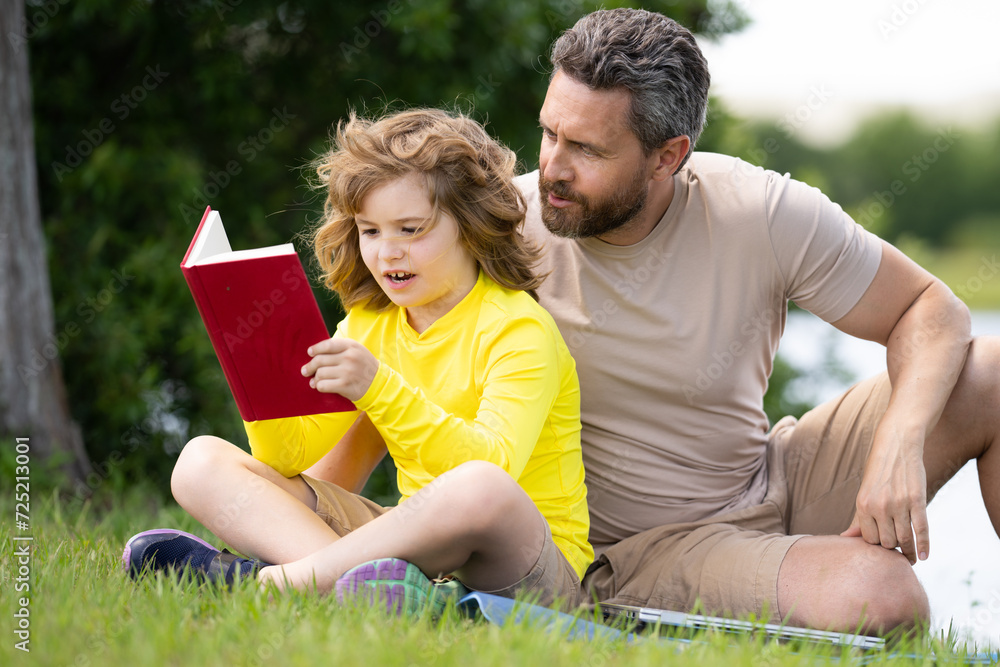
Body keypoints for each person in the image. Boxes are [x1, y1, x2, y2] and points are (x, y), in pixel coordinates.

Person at [322, 9, 999, 635]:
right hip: (642, 548)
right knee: (886, 595)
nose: (551, 166)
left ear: (669, 156)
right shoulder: (502, 227)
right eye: (549, 131)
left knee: (992, 371)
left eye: (586, 148)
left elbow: (931, 309)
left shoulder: (761, 210)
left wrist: (897, 446)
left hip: (767, 475)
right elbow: (405, 352)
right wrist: (322, 498)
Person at [122, 108, 592, 612]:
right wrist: (259, 381)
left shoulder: (519, 328)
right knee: (199, 462)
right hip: (425, 558)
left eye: (410, 229)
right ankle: (371, 594)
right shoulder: (373, 321)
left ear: (471, 227)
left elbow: (492, 466)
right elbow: (290, 461)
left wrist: (379, 388)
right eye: (370, 231)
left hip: (530, 569)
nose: (388, 252)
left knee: (480, 484)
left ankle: (270, 585)